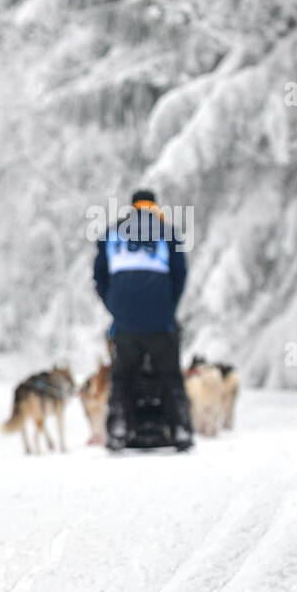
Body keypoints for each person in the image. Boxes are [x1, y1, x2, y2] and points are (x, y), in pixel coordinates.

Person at [93, 189, 194, 451]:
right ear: (154, 206)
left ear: (133, 207)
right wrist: (167, 309)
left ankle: (119, 429)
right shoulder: (168, 232)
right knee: (170, 374)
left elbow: (99, 276)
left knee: (123, 376)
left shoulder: (111, 233)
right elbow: (179, 275)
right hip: (160, 318)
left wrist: (114, 307)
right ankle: (180, 429)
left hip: (124, 319)